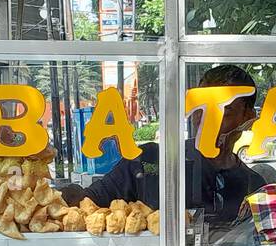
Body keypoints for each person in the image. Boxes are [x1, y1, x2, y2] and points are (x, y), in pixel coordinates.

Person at [64, 64, 265, 223]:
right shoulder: (149, 163)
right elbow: (86, 203)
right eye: (200, 107)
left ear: (248, 117)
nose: (204, 119)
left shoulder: (254, 187)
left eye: (224, 110)